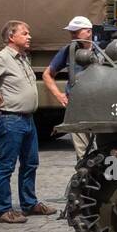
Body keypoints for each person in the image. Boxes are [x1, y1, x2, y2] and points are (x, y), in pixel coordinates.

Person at [0, 20, 56, 223]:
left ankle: (29, 203)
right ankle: (4, 209)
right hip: (11, 120)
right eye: (25, 33)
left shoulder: (22, 58)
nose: (29, 37)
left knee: (30, 163)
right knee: (6, 166)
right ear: (11, 37)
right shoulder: (2, 58)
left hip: (27, 120)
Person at [42, 15, 95, 158]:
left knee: (103, 148)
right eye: (71, 32)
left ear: (88, 32)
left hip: (99, 104)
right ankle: (86, 176)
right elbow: (47, 74)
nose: (72, 35)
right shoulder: (68, 51)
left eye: (76, 32)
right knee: (82, 152)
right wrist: (59, 95)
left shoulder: (103, 48)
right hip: (77, 105)